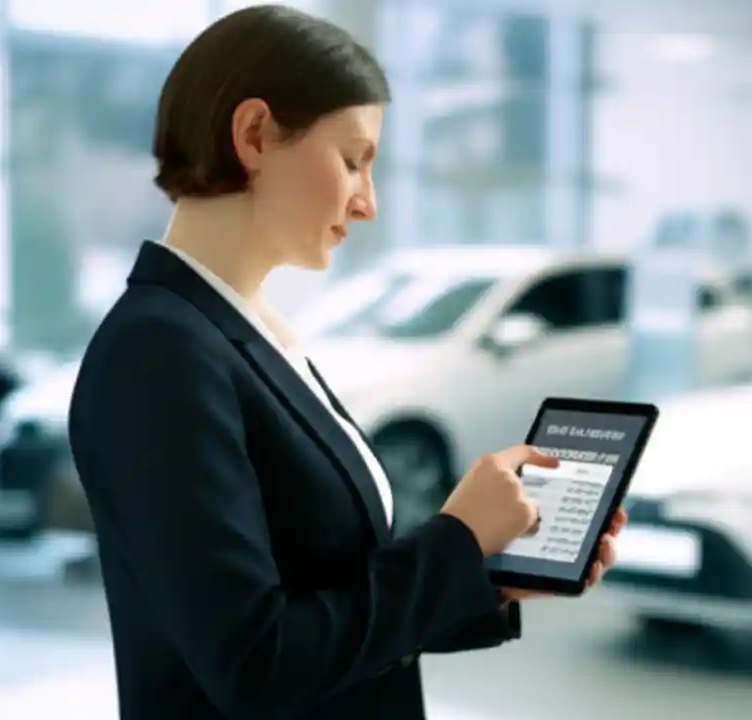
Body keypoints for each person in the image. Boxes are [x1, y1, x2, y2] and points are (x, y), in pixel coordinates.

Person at [66, 5, 626, 719]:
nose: (368, 202)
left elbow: (325, 601)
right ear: (255, 134)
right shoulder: (159, 353)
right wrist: (454, 543)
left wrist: (486, 578)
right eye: (353, 160)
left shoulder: (248, 331)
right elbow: (257, 665)